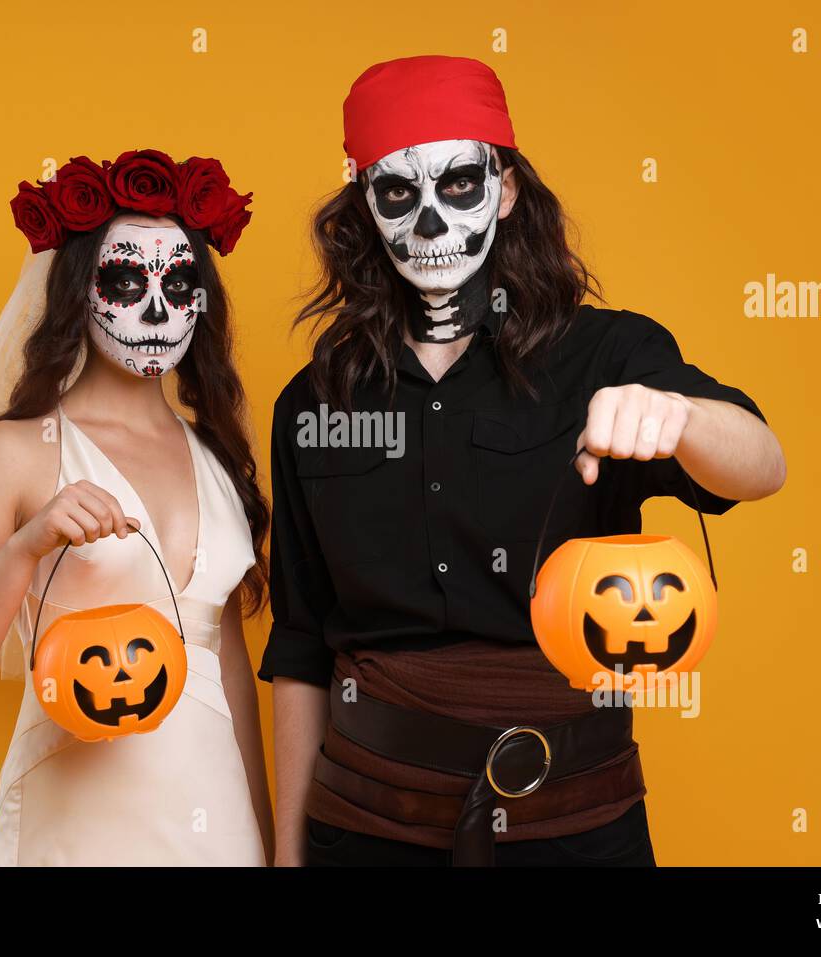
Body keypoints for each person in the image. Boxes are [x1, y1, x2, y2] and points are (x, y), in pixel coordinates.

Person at [260, 56, 787, 866]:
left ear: (505, 189)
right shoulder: (313, 402)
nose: (430, 222)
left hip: (575, 823)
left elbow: (760, 464)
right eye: (397, 193)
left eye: (459, 184)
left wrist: (679, 416)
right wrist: (289, 857)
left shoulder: (607, 353)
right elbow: (300, 645)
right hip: (366, 824)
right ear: (365, 207)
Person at [0, 150, 274, 865]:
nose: (157, 307)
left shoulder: (218, 455)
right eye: (128, 280)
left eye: (179, 281)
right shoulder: (15, 453)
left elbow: (228, 672)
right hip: (79, 823)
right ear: (80, 292)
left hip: (215, 816)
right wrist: (27, 547)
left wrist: (265, 841)